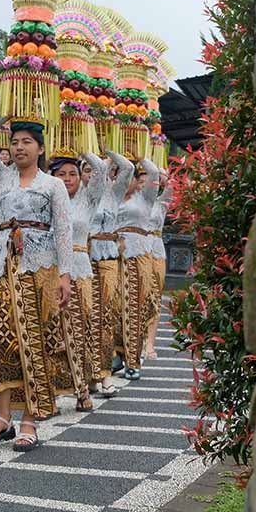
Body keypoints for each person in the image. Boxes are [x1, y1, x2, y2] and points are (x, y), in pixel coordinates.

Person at [0, 116, 74, 451]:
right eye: (15, 141)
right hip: (3, 269)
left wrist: (65, 275)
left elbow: (63, 231)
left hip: (41, 271)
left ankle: (29, 418)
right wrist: (6, 112)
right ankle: (3, 418)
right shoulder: (1, 177)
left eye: (27, 141)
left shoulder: (52, 185)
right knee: (2, 340)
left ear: (41, 148)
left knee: (36, 340)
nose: (19, 147)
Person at [51, 151, 110, 412]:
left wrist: (82, 145)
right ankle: (49, 392)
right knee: (51, 333)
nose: (67, 179)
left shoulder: (88, 199)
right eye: (60, 174)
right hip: (50, 270)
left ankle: (82, 389)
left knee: (80, 330)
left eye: (72, 173)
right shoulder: (46, 198)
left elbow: (99, 169)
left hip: (79, 269)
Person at [88, 150, 133, 396]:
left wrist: (105, 147)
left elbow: (127, 167)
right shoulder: (84, 195)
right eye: (85, 169)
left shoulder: (114, 194)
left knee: (106, 317)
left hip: (108, 260)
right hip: (84, 258)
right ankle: (88, 375)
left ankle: (104, 374)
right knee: (85, 318)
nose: (92, 173)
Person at [116, 158, 160, 380]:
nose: (123, 181)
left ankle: (132, 361)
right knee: (113, 308)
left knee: (134, 309)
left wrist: (140, 155)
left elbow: (153, 172)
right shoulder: (111, 197)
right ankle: (116, 354)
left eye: (129, 177)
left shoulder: (145, 198)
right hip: (112, 257)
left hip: (137, 256)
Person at [143, 160, 172, 357]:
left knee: (154, 296)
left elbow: (173, 186)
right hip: (134, 250)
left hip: (156, 248)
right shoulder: (127, 201)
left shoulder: (161, 203)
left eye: (151, 182)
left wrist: (161, 172)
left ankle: (150, 342)